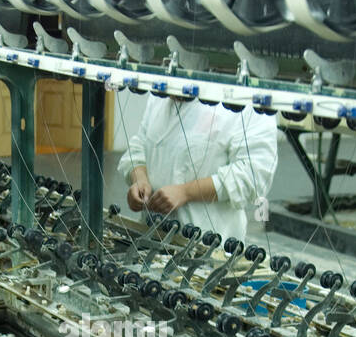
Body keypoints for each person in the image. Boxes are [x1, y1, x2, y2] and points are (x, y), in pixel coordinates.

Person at [118, 93, 278, 242]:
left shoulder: (244, 105)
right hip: (151, 236)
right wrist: (139, 179)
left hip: (208, 246)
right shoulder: (163, 93)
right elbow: (139, 144)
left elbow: (252, 175)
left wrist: (186, 192)